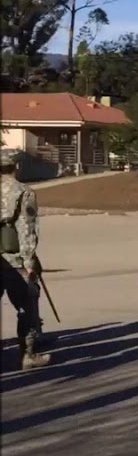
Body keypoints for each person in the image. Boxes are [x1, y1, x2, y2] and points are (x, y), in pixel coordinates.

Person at [0, 149, 47, 370]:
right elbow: (26, 229)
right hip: (14, 259)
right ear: (16, 167)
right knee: (27, 305)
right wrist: (30, 263)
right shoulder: (23, 192)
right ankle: (28, 354)